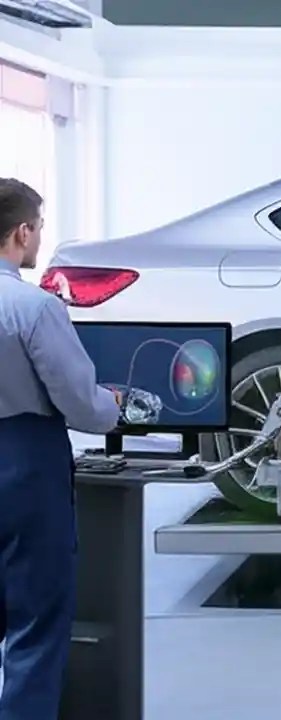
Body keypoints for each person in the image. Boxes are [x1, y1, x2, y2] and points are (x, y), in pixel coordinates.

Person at [0, 178, 121, 719]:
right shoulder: (34, 308)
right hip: (24, 466)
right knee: (35, 624)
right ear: (22, 233)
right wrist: (112, 404)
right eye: (40, 228)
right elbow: (81, 406)